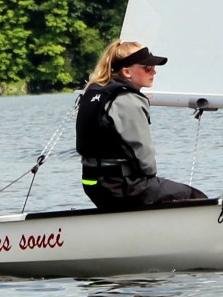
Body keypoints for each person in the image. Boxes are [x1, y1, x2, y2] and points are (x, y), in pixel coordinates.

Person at [75, 39, 208, 211]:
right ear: (127, 72)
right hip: (123, 186)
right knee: (195, 197)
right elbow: (142, 153)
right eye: (147, 67)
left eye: (154, 67)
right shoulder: (127, 99)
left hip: (93, 183)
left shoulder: (95, 91)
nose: (154, 71)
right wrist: (151, 181)